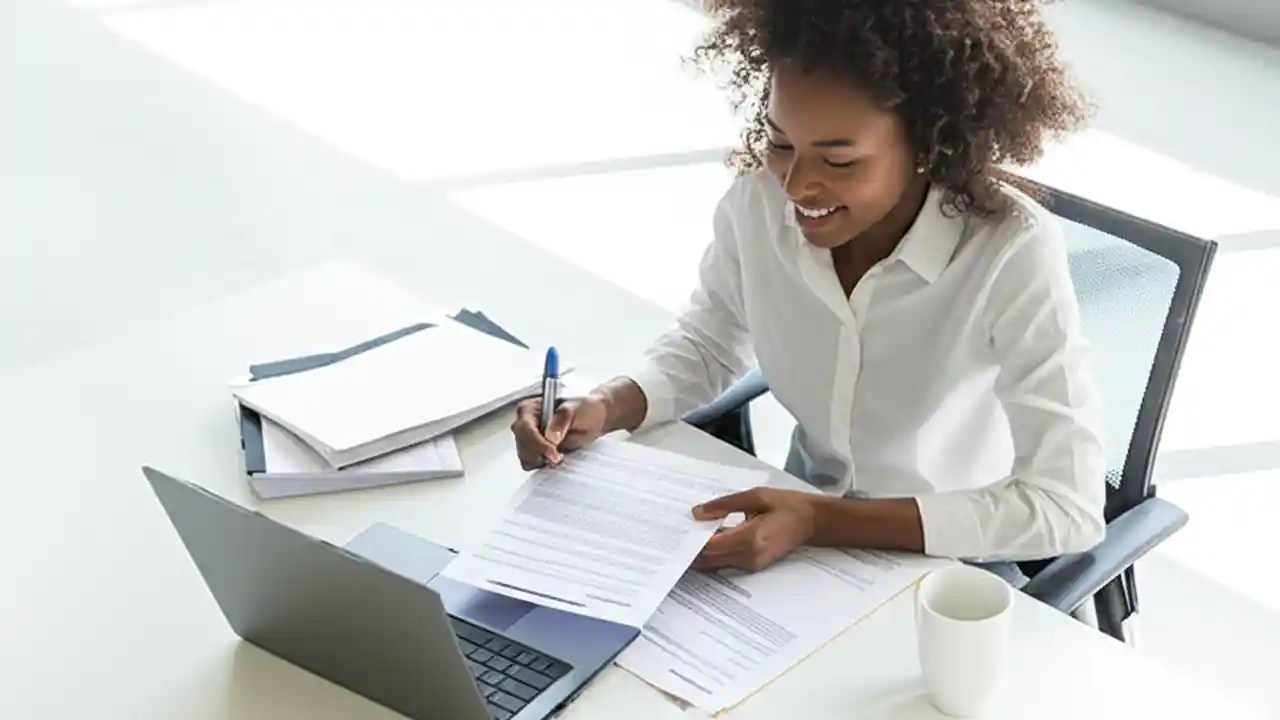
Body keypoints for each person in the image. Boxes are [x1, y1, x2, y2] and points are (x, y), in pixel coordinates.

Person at [511, 0, 1105, 580]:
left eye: (840, 162)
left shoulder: (1010, 251)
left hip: (948, 558)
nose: (796, 185)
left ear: (930, 146)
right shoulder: (756, 208)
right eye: (781, 143)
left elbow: (1066, 507)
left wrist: (819, 520)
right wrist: (605, 406)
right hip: (797, 531)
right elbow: (709, 342)